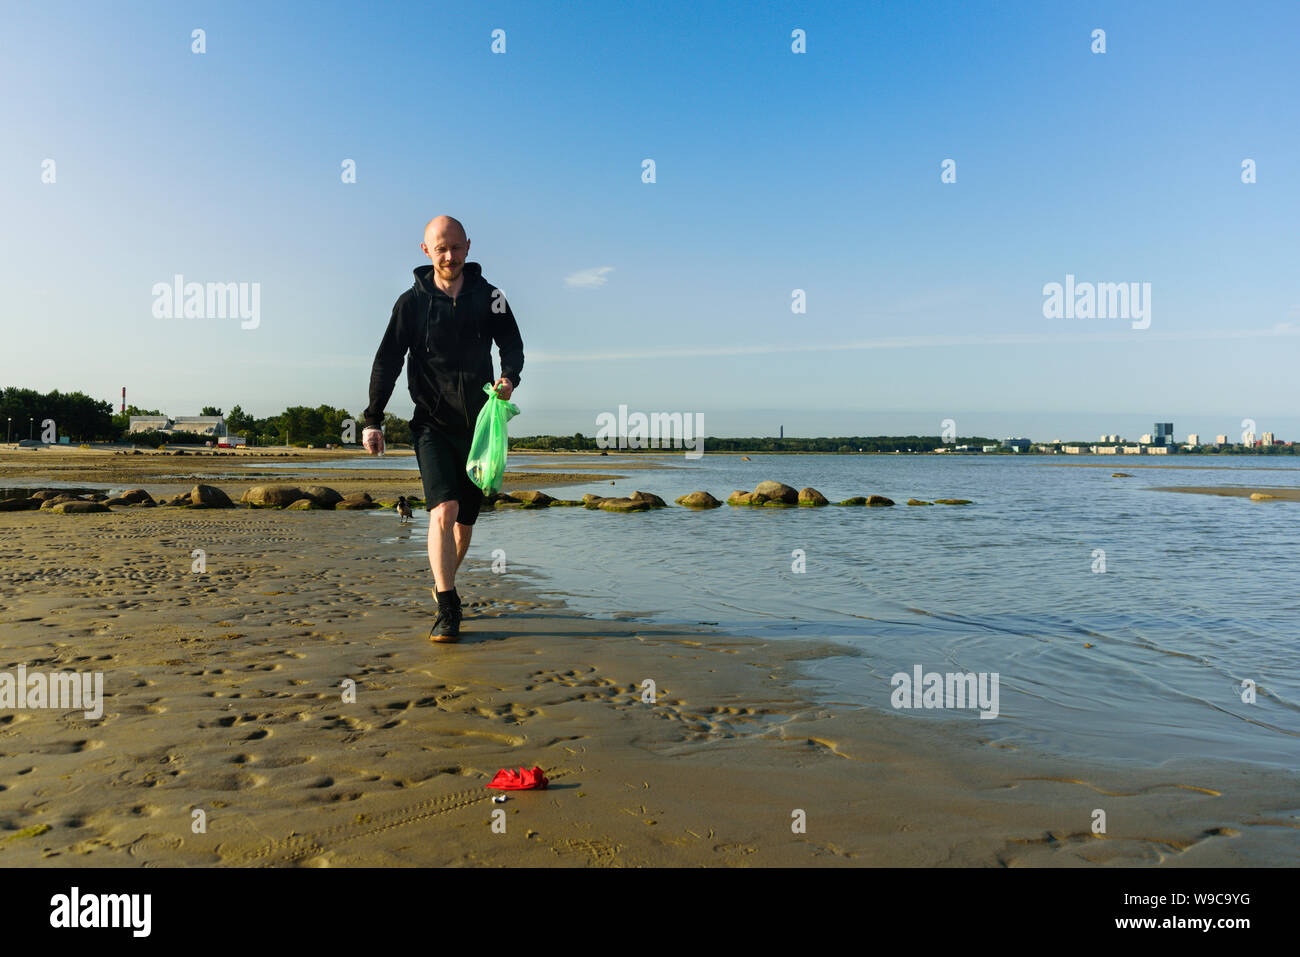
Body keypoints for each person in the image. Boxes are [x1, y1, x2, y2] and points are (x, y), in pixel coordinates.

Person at [362, 216, 524, 642]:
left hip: (480, 427)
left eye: (456, 247)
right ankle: (448, 605)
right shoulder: (410, 304)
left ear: (468, 246)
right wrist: (372, 418)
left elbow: (512, 345)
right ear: (425, 250)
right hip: (431, 423)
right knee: (442, 509)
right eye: (440, 249)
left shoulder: (491, 298)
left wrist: (509, 377)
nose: (449, 256)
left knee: (464, 524)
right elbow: (387, 362)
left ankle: (444, 583)